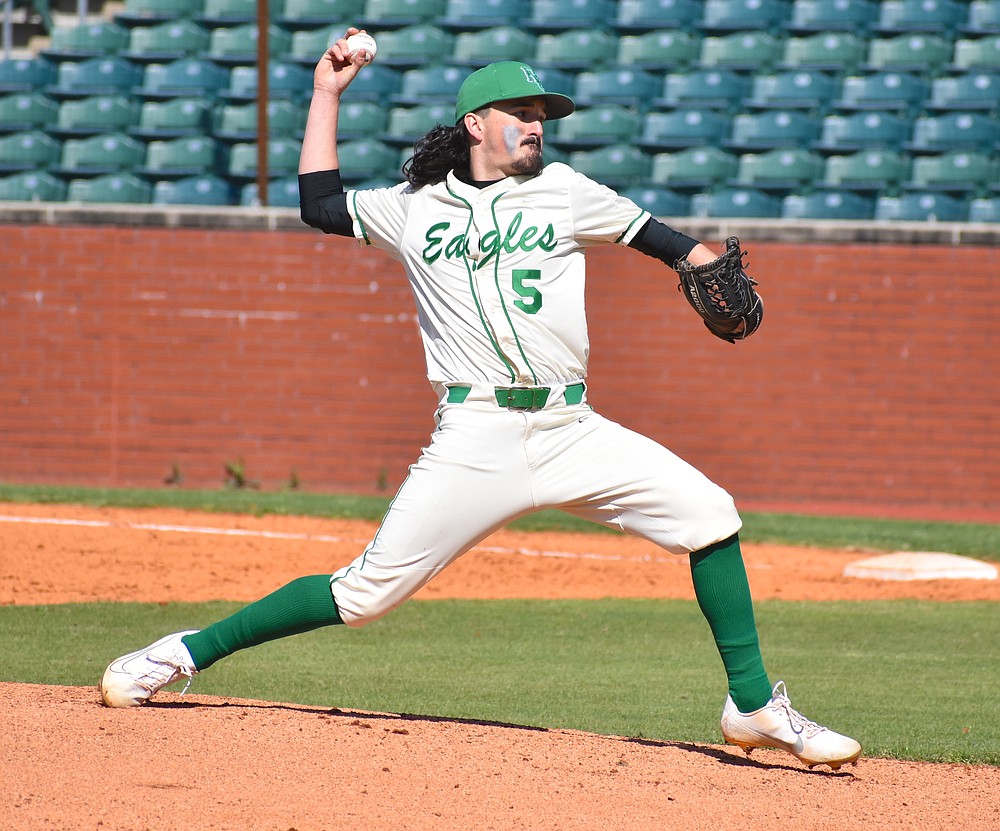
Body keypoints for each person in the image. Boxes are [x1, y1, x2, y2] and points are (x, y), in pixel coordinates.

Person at [100, 29, 861, 771]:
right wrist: (324, 93)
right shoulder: (415, 205)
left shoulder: (566, 192)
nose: (536, 127)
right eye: (521, 114)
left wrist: (704, 263)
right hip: (475, 433)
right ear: (476, 124)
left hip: (570, 425)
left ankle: (754, 706)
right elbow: (319, 204)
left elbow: (668, 243)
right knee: (365, 595)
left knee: (709, 513)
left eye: (542, 116)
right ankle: (180, 652)